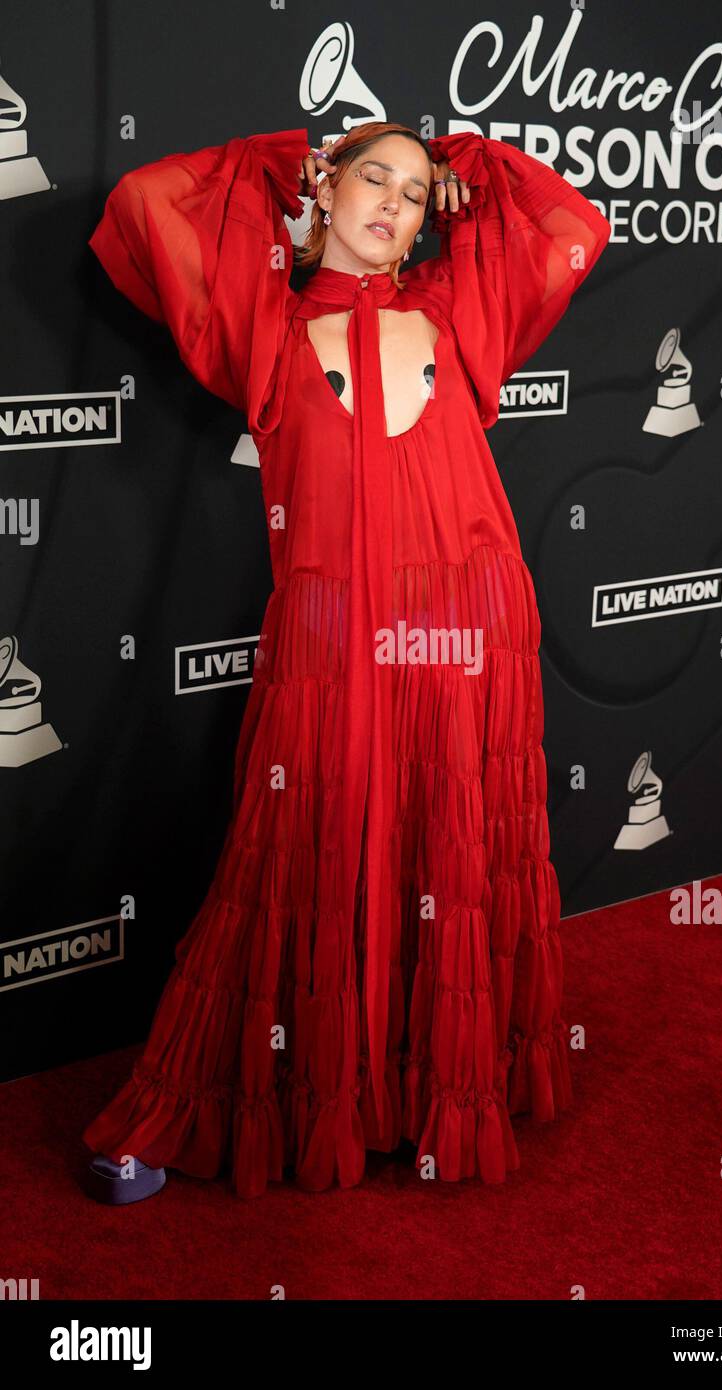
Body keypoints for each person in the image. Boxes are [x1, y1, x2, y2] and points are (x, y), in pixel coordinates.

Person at [81, 120, 611, 1204]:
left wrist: (481, 165)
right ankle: (247, 1095)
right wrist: (276, 161)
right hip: (330, 651)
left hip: (467, 635)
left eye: (418, 195)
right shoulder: (265, 329)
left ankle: (430, 1090)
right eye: (376, 177)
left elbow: (575, 228)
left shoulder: (461, 311)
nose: (395, 207)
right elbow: (143, 204)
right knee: (302, 859)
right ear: (328, 184)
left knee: (445, 861)